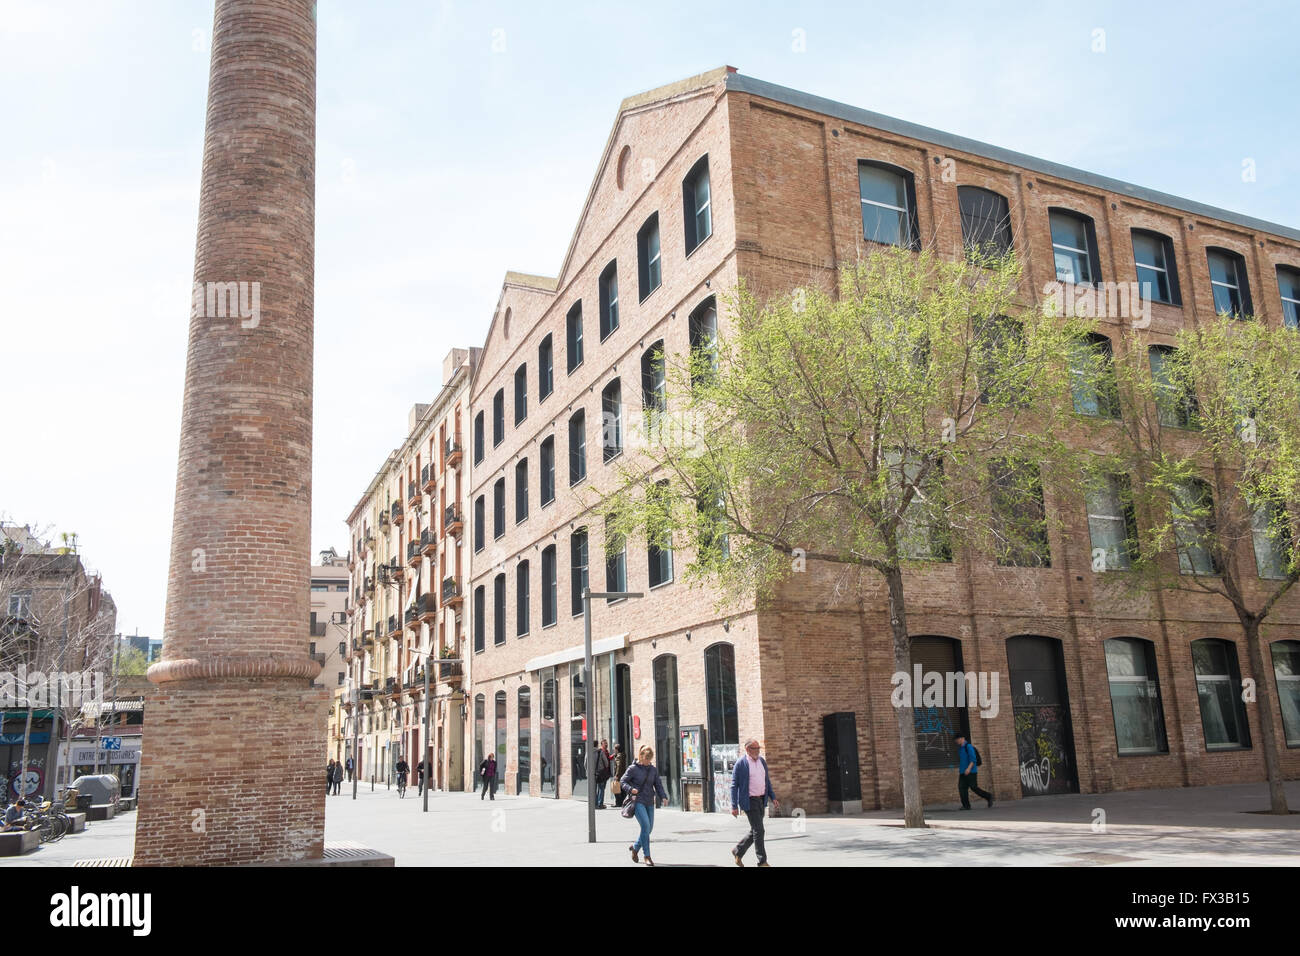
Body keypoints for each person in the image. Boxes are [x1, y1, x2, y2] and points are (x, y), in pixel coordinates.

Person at [730, 738, 779, 867]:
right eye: (755, 748)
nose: (757, 751)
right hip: (749, 801)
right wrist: (734, 806)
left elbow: (766, 781)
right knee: (759, 830)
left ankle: (738, 851)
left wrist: (772, 797)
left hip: (761, 800)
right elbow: (734, 786)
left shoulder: (762, 761)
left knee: (755, 831)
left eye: (758, 748)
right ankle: (762, 861)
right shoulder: (741, 764)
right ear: (747, 749)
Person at [620, 745, 668, 865]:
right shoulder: (633, 768)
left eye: (650, 759)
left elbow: (658, 784)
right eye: (646, 759)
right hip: (638, 801)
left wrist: (663, 796)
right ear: (641, 756)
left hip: (649, 802)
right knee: (646, 826)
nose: (648, 761)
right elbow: (622, 781)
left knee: (649, 829)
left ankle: (635, 847)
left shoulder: (653, 770)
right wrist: (631, 789)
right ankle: (647, 856)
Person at [955, 733, 993, 810]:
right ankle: (966, 805)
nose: (956, 741)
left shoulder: (968, 747)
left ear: (962, 738)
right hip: (962, 772)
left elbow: (973, 759)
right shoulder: (960, 749)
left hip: (971, 771)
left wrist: (968, 769)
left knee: (973, 787)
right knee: (962, 788)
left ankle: (988, 796)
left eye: (957, 739)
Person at [593, 739, 612, 809]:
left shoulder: (588, 752)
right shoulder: (600, 752)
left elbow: (585, 763)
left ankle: (595, 804)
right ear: (598, 744)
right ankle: (600, 804)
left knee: (594, 789)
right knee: (601, 788)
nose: (606, 745)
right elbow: (606, 763)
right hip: (601, 773)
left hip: (592, 774)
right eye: (605, 743)